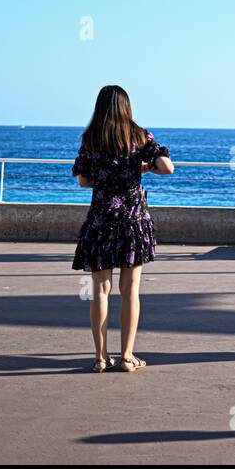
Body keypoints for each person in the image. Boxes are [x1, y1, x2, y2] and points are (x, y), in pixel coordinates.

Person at [71, 86, 173, 373]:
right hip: (132, 221)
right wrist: (143, 168)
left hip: (101, 221)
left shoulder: (91, 138)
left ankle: (101, 358)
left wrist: (107, 175)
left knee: (100, 291)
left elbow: (83, 181)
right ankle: (127, 357)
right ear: (126, 106)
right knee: (130, 291)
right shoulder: (140, 135)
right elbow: (168, 168)